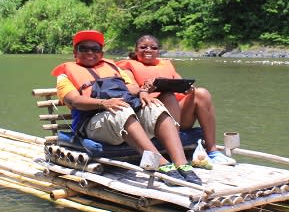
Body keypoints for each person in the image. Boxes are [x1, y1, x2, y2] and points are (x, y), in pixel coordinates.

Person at [52, 30, 203, 185]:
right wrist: (104, 103)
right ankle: (159, 163)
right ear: (74, 53)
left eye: (95, 49)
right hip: (92, 125)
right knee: (121, 110)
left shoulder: (114, 68)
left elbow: (131, 88)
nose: (90, 52)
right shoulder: (64, 77)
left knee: (155, 106)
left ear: (101, 53)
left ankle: (181, 163)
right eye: (84, 49)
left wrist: (143, 92)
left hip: (122, 114)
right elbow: (74, 100)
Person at [117, 34, 237, 165]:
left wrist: (189, 89)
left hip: (177, 117)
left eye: (153, 47)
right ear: (135, 50)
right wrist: (145, 90)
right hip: (149, 117)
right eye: (143, 47)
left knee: (202, 93)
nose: (148, 50)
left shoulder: (166, 65)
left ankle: (212, 151)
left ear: (158, 51)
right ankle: (175, 149)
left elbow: (181, 83)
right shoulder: (127, 67)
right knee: (168, 96)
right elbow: (130, 89)